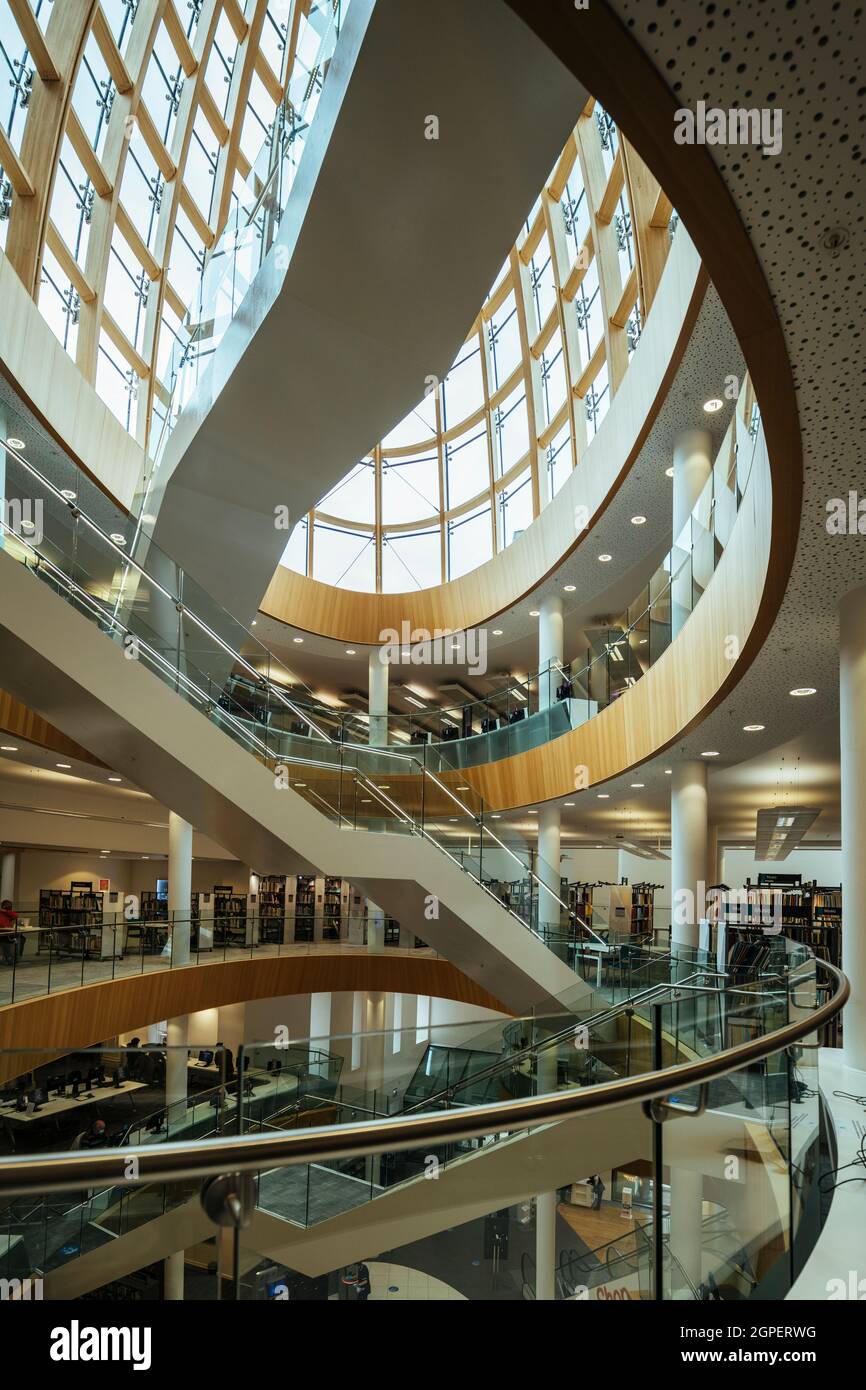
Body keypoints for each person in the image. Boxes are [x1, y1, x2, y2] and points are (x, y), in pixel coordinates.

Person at [0, 900, 20, 965]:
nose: (9, 908)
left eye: (10, 907)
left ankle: (15, 958)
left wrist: (6, 912)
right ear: (3, 906)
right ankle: (9, 958)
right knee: (6, 941)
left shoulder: (7, 913)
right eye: (8, 907)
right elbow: (2, 924)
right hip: (2, 933)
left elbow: (16, 916)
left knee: (21, 938)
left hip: (8, 932)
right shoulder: (1, 914)